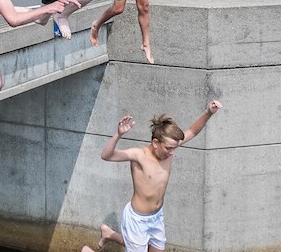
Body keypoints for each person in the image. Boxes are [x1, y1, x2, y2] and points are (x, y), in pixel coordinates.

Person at [82, 101, 223, 252]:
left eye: (174, 148)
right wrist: (118, 134)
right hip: (137, 220)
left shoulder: (169, 149)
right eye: (169, 148)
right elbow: (106, 155)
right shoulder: (139, 155)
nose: (172, 153)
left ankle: (109, 234)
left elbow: (192, 131)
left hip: (157, 217)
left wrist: (208, 113)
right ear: (155, 143)